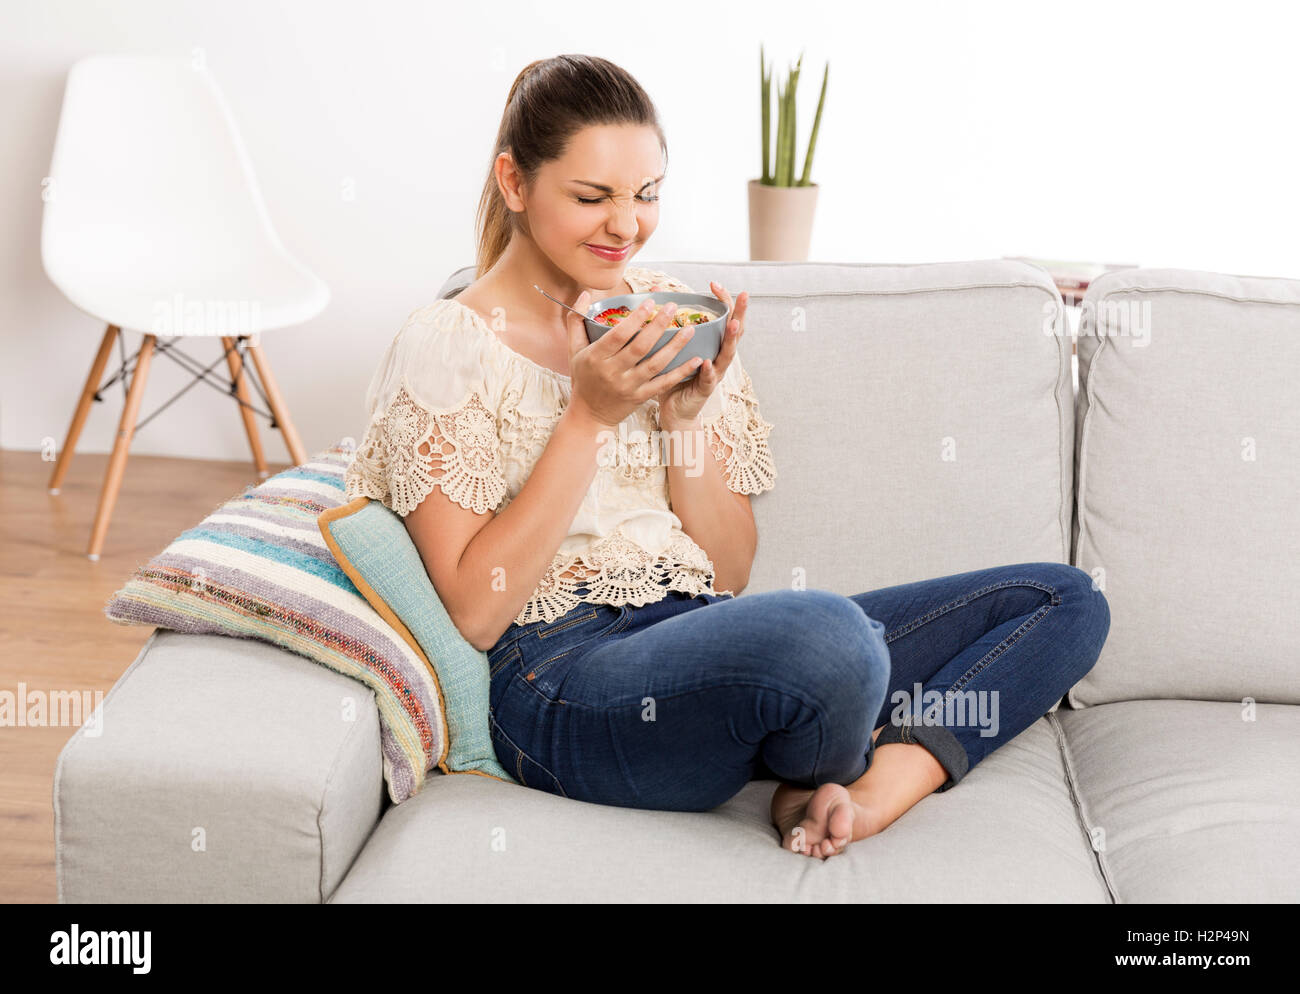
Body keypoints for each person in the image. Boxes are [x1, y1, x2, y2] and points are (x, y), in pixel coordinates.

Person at [346, 54, 1111, 859]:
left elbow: (728, 574)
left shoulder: (665, 313)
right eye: (591, 197)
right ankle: (831, 737)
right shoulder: (446, 343)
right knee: (830, 639)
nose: (626, 225)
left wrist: (684, 416)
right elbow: (474, 608)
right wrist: (587, 419)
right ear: (514, 181)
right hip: (562, 679)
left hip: (700, 631)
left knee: (1063, 600)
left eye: (645, 195)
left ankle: (877, 785)